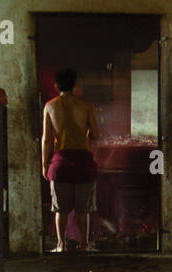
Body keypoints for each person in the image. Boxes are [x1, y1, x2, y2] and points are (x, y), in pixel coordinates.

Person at [42, 67, 100, 253]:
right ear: (75, 84)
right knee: (83, 210)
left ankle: (61, 245)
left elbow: (47, 139)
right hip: (83, 161)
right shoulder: (86, 105)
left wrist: (45, 164)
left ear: (56, 85)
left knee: (61, 209)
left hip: (60, 162)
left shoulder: (50, 106)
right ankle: (84, 244)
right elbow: (96, 134)